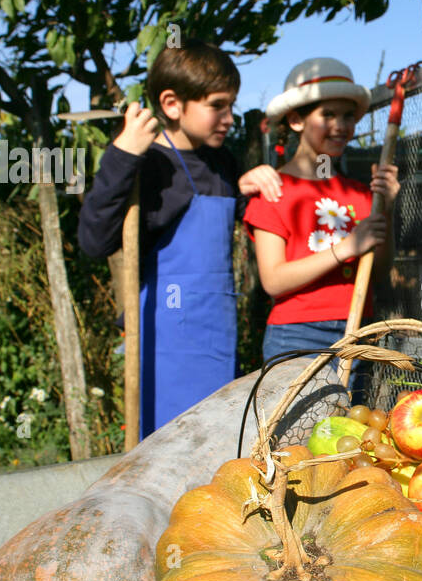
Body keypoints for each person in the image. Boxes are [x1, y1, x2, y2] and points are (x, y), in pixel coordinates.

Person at [78, 39, 281, 438]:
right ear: (172, 104)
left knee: (214, 444)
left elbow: (226, 213)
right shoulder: (148, 164)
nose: (228, 118)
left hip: (216, 334)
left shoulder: (220, 161)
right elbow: (93, 241)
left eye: (232, 105)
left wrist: (243, 188)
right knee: (164, 446)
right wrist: (121, 156)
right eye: (217, 105)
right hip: (163, 341)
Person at [241, 57, 400, 405]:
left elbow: (381, 268)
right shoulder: (273, 191)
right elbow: (273, 280)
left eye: (347, 116)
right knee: (297, 448)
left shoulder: (360, 194)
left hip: (357, 330)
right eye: (327, 115)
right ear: (296, 120)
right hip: (297, 335)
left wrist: (384, 207)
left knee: (348, 442)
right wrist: (345, 247)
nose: (341, 126)